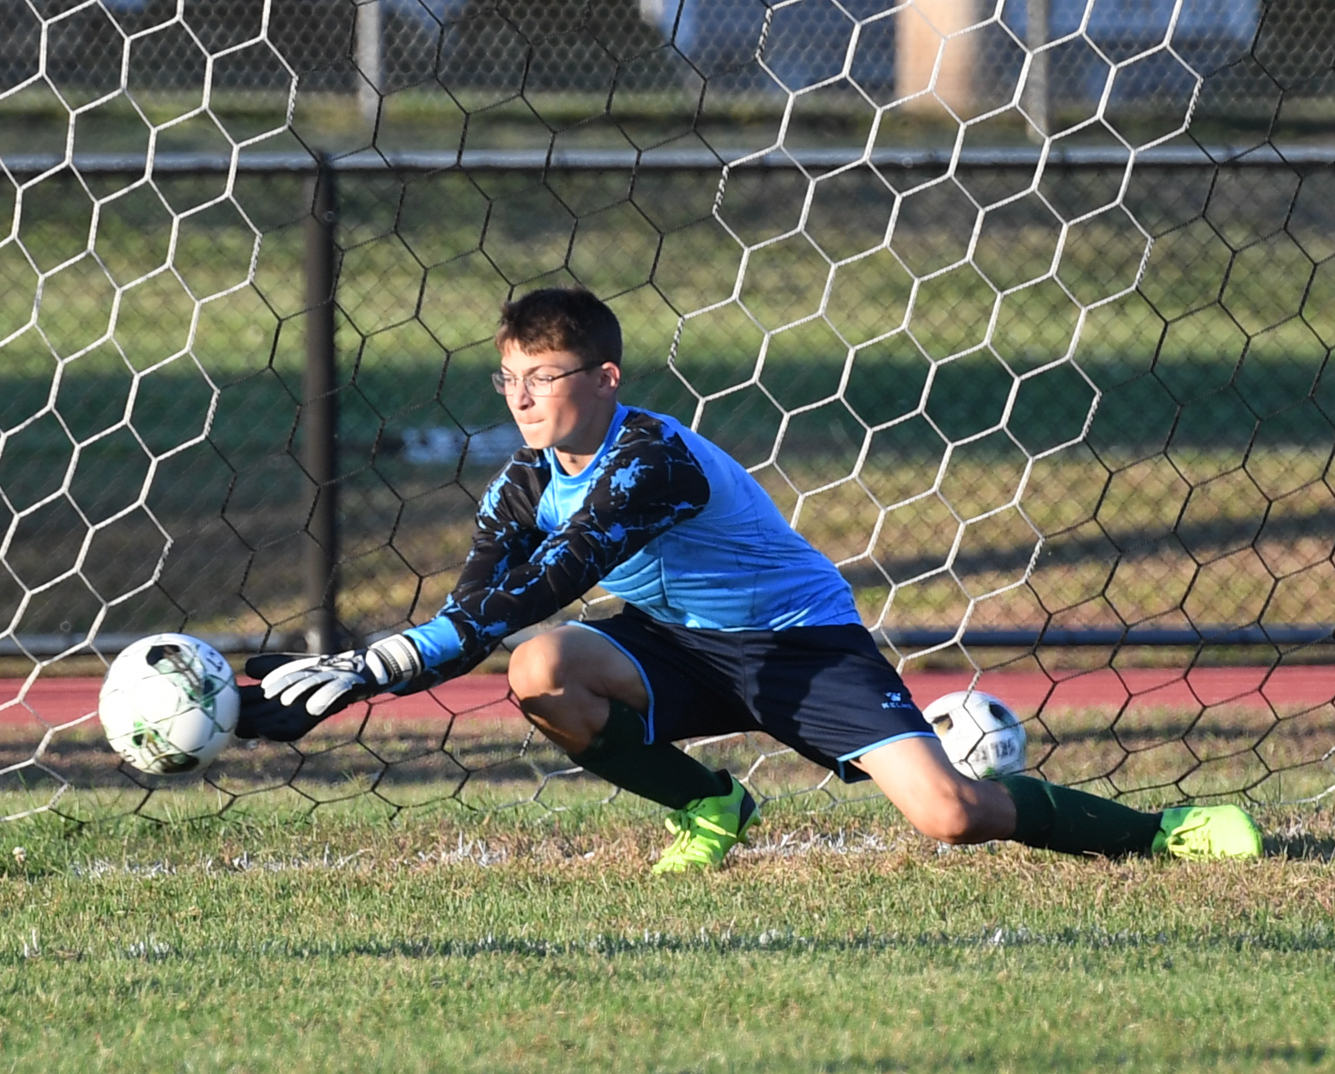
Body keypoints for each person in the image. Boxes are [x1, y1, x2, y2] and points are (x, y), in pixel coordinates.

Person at [238, 286, 1263, 871]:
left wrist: (377, 666)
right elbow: (479, 610)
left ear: (602, 379)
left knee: (949, 815)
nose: (520, 397)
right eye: (506, 378)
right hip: (674, 647)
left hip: (796, 645)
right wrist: (351, 689)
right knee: (540, 670)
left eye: (541, 377)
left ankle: (1160, 831)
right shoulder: (520, 483)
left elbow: (556, 574)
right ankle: (708, 806)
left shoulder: (651, 461)